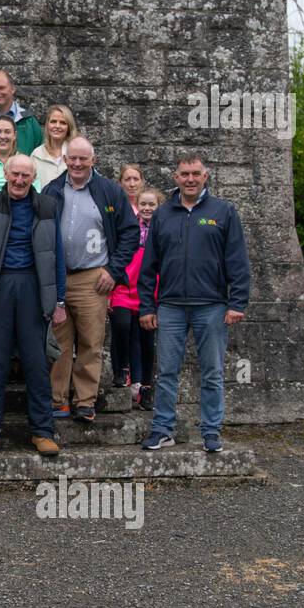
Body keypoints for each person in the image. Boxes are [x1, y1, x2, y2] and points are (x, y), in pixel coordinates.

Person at [139, 154, 250, 454]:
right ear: (175, 177)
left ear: (205, 176)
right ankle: (163, 429)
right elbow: (149, 264)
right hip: (170, 306)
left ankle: (211, 431)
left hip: (212, 305)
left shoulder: (224, 212)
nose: (190, 179)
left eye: (195, 174)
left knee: (212, 372)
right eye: (184, 174)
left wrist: (237, 302)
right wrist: (147, 306)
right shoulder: (162, 214)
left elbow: (237, 261)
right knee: (166, 372)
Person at [0, 154, 67, 457]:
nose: (20, 180)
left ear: (33, 178)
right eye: (15, 175)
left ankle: (42, 431)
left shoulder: (47, 207)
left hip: (33, 290)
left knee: (36, 363)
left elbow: (58, 256)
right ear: (6, 175)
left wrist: (59, 300)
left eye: (26, 176)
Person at [41, 136, 139, 422]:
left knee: (91, 342)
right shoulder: (52, 189)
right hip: (59, 278)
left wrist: (113, 270)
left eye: (83, 158)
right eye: (72, 158)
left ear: (93, 160)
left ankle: (85, 401)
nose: (77, 163)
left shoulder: (109, 191)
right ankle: (58, 400)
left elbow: (130, 233)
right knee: (58, 344)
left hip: (93, 278)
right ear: (65, 159)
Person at [111, 187, 162, 411]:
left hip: (149, 291)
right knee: (122, 327)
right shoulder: (129, 228)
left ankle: (146, 387)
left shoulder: (160, 230)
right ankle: (122, 370)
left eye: (152, 204)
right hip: (124, 287)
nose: (147, 208)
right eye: (143, 204)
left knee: (146, 340)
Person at [30, 104, 77, 192]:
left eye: (63, 123)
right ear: (47, 125)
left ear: (69, 127)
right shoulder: (36, 155)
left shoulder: (76, 153)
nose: (57, 126)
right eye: (53, 121)